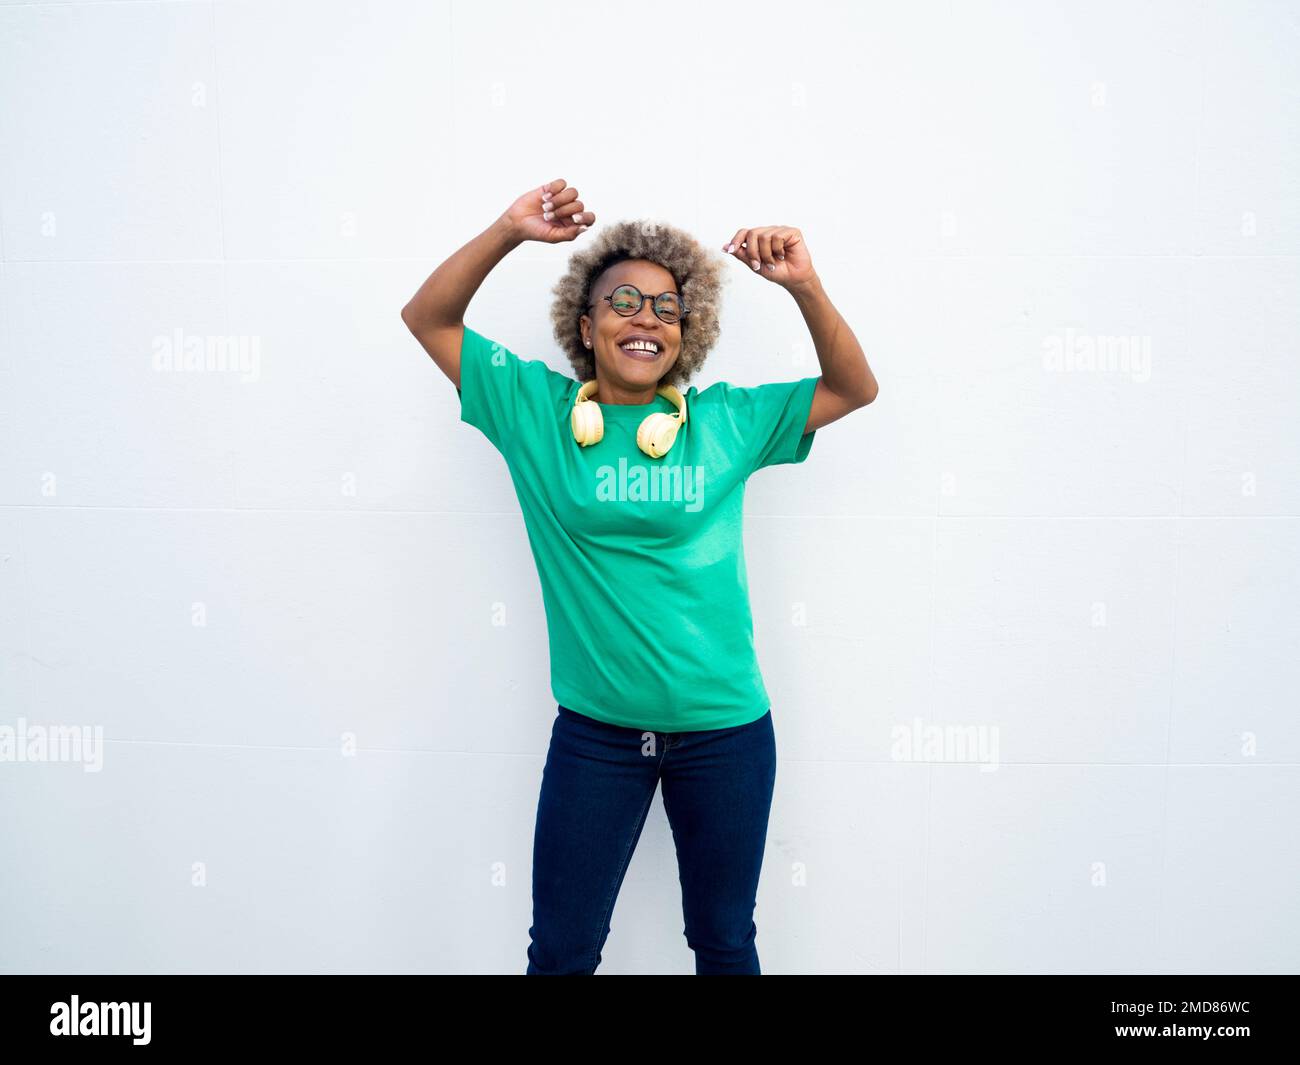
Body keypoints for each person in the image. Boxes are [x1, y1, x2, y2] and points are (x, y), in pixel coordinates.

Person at [400, 178, 878, 974]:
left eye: (665, 307)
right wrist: (507, 231)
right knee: (561, 951)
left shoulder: (727, 422)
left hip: (727, 734)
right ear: (585, 326)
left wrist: (804, 284)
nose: (646, 318)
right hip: (597, 737)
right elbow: (427, 319)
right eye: (623, 300)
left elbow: (853, 388)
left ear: (684, 335)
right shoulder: (534, 413)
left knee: (724, 941)